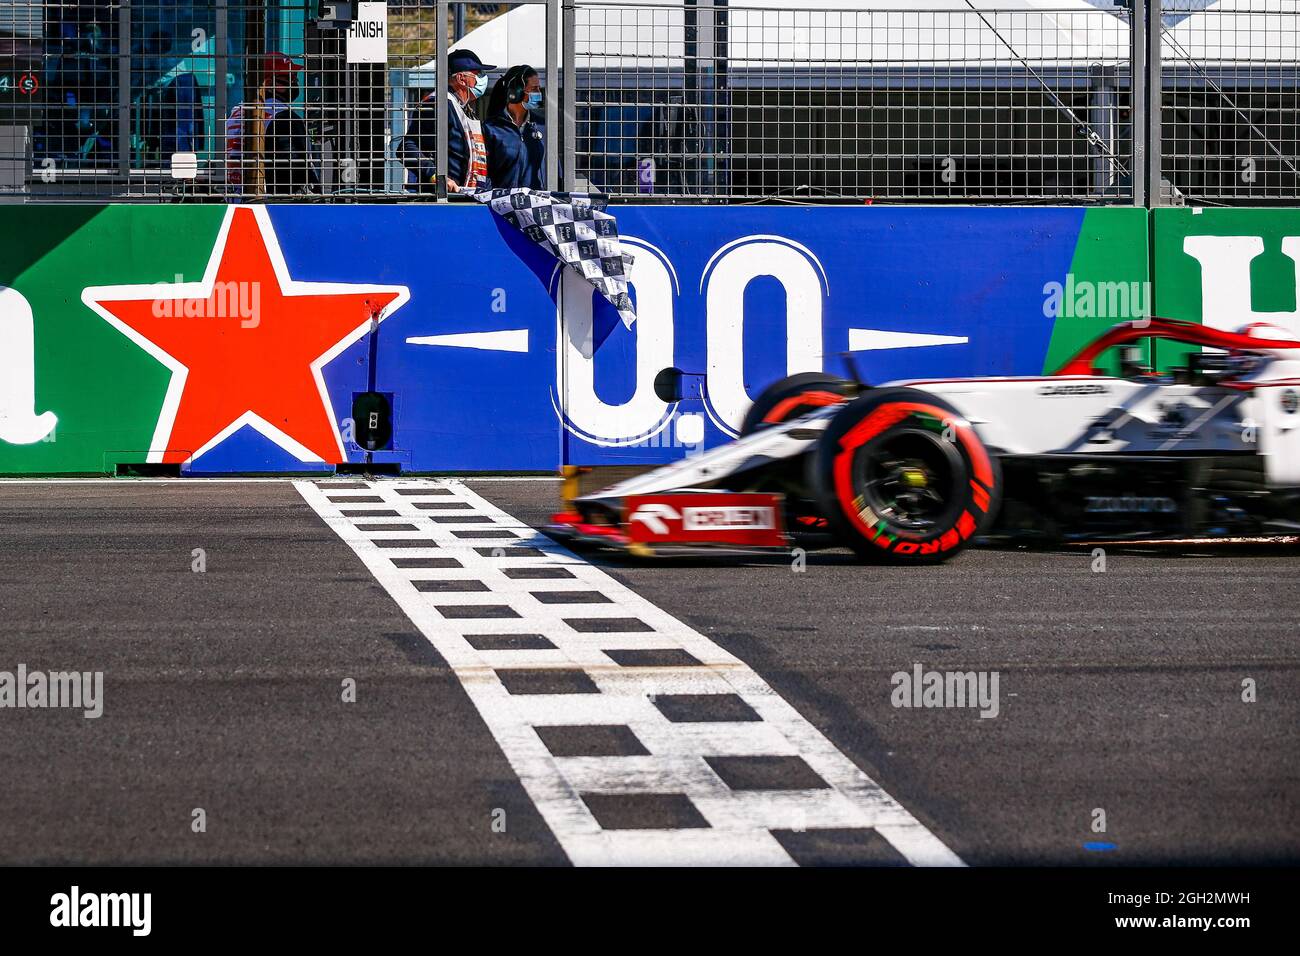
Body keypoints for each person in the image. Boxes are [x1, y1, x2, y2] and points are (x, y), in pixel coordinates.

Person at [398, 48, 495, 193]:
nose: (483, 78)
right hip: (443, 198)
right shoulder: (439, 104)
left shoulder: (462, 107)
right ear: (461, 78)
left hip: (465, 195)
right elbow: (406, 147)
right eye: (478, 74)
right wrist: (435, 176)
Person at [225, 52, 318, 196]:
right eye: (288, 78)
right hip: (271, 203)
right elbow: (296, 170)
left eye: (294, 77)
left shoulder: (236, 112)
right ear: (267, 83)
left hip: (235, 196)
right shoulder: (283, 116)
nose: (294, 83)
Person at [483, 64, 546, 191]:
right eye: (534, 89)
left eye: (539, 88)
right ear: (515, 93)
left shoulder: (542, 126)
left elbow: (556, 169)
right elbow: (484, 173)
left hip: (537, 203)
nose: (538, 93)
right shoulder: (490, 128)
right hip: (502, 204)